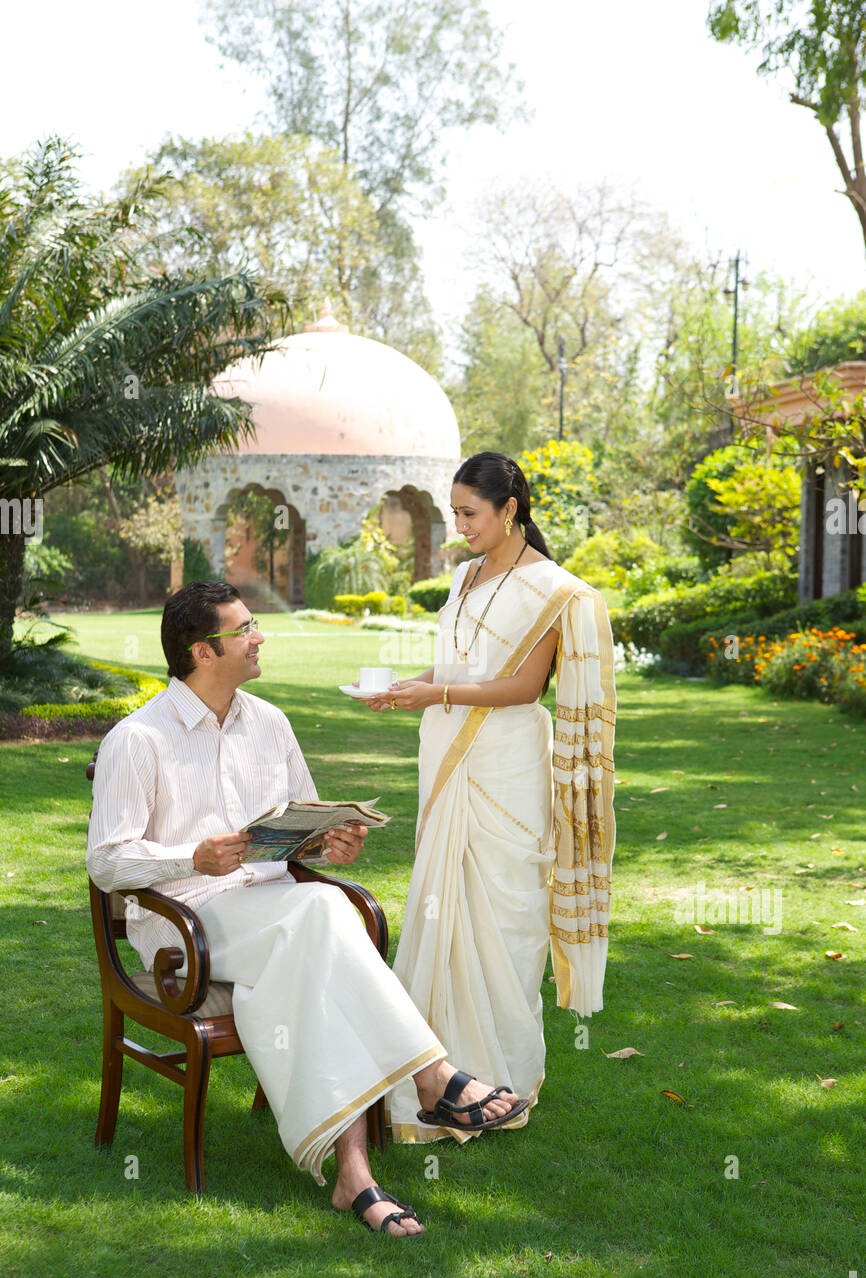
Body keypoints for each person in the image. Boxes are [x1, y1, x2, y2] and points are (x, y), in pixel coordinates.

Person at [86, 580, 528, 1237]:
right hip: (187, 921)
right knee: (321, 913)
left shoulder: (269, 722)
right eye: (245, 629)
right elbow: (107, 862)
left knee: (314, 936)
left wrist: (332, 841)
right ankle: (434, 1077)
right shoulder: (138, 738)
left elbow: (303, 825)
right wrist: (191, 859)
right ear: (203, 651)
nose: (259, 636)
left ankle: (354, 1178)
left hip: (279, 911)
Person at [361, 453, 616, 1144]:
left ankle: (498, 1077)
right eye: (455, 514)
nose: (460, 526)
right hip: (449, 752)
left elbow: (524, 687)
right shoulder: (465, 575)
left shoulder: (554, 591)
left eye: (469, 513)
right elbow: (460, 665)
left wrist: (435, 693)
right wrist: (407, 685)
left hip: (506, 767)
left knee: (503, 917)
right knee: (440, 908)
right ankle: (439, 1077)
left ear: (510, 510)